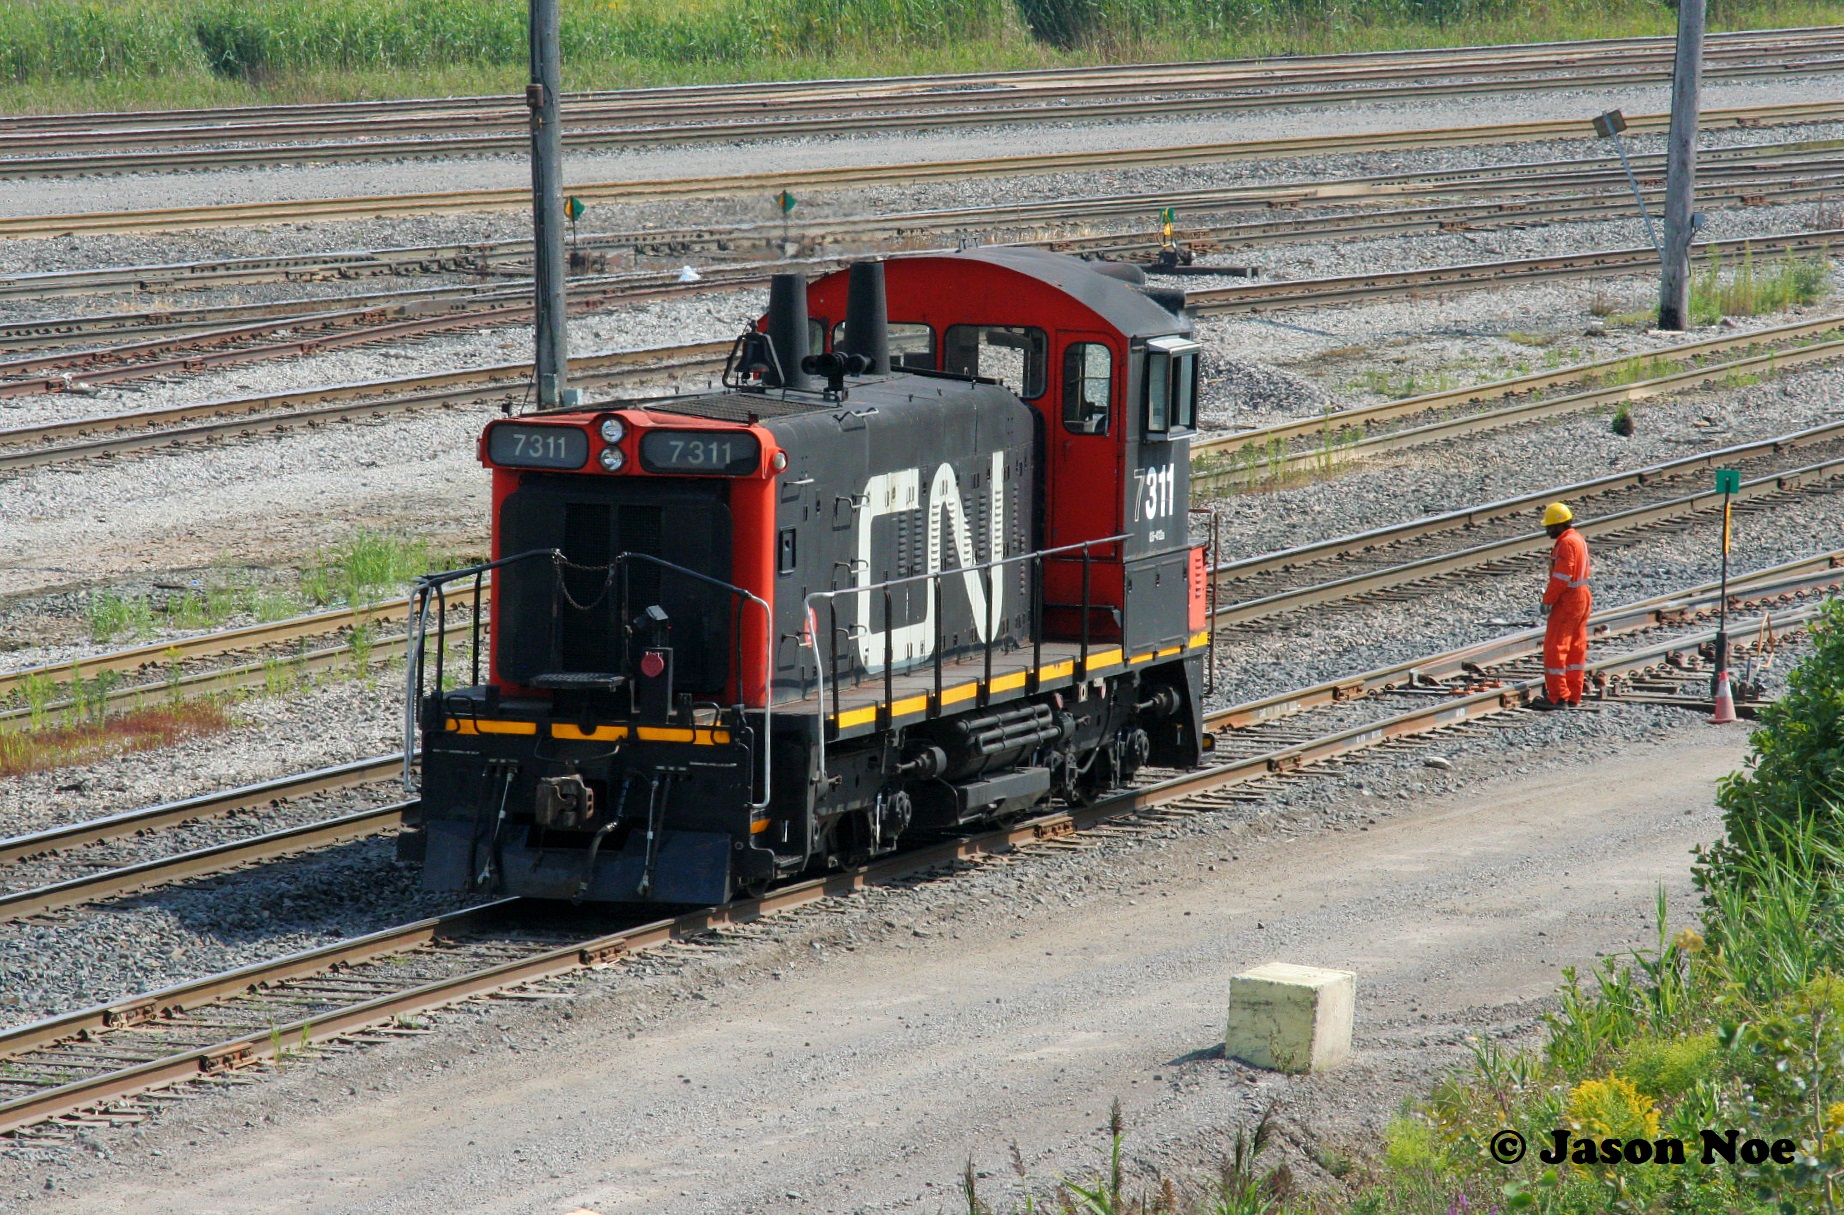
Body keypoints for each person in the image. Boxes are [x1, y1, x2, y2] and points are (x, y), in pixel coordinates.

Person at [1535, 502, 1591, 710]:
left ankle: (1558, 696)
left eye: (1549, 526)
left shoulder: (1566, 543)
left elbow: (1561, 577)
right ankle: (1573, 695)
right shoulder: (1577, 539)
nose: (1547, 530)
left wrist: (1547, 601)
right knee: (1576, 648)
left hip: (1568, 600)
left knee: (1556, 647)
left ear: (1558, 525)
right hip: (1582, 597)